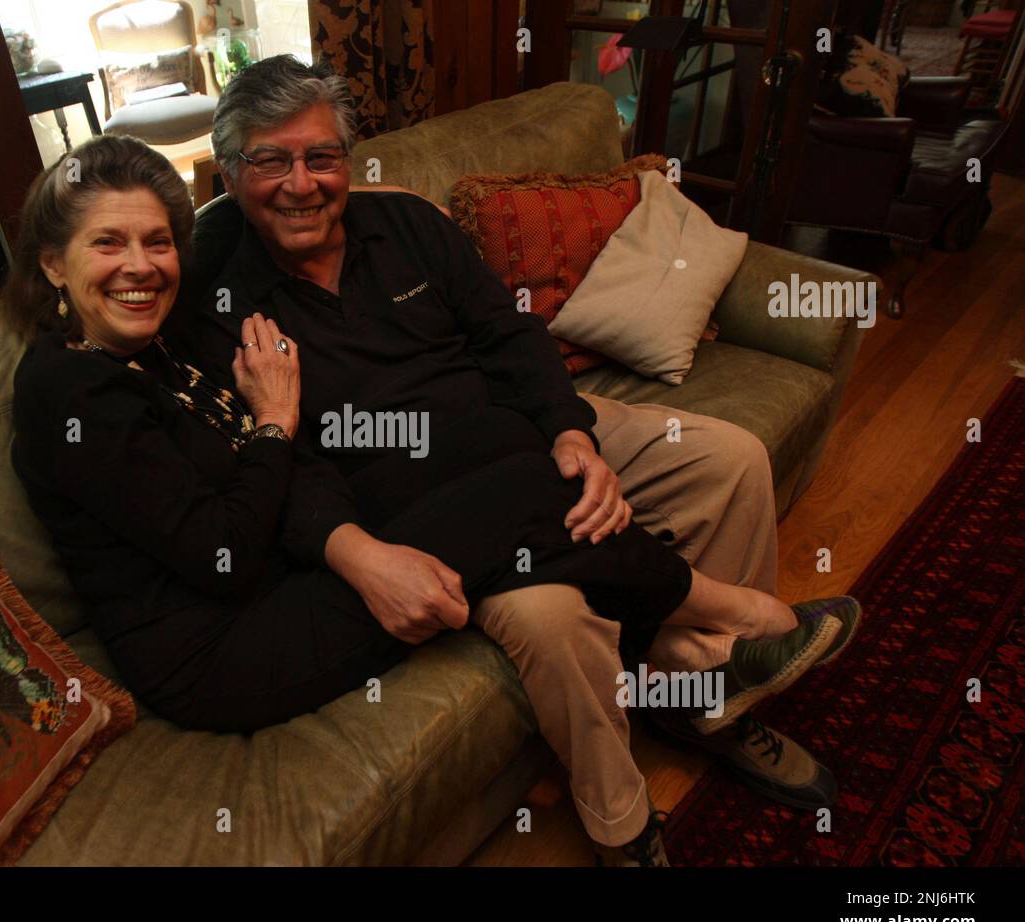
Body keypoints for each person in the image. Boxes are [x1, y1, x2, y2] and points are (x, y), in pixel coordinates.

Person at [163, 55, 865, 864]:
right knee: (553, 616)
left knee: (730, 456)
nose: (301, 182)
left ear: (346, 160)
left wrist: (570, 432)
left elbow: (507, 332)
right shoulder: (211, 298)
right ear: (228, 170)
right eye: (269, 160)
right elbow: (268, 466)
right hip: (423, 504)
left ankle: (702, 690)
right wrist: (359, 551)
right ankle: (622, 823)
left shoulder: (407, 224)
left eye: (321, 156)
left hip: (515, 428)